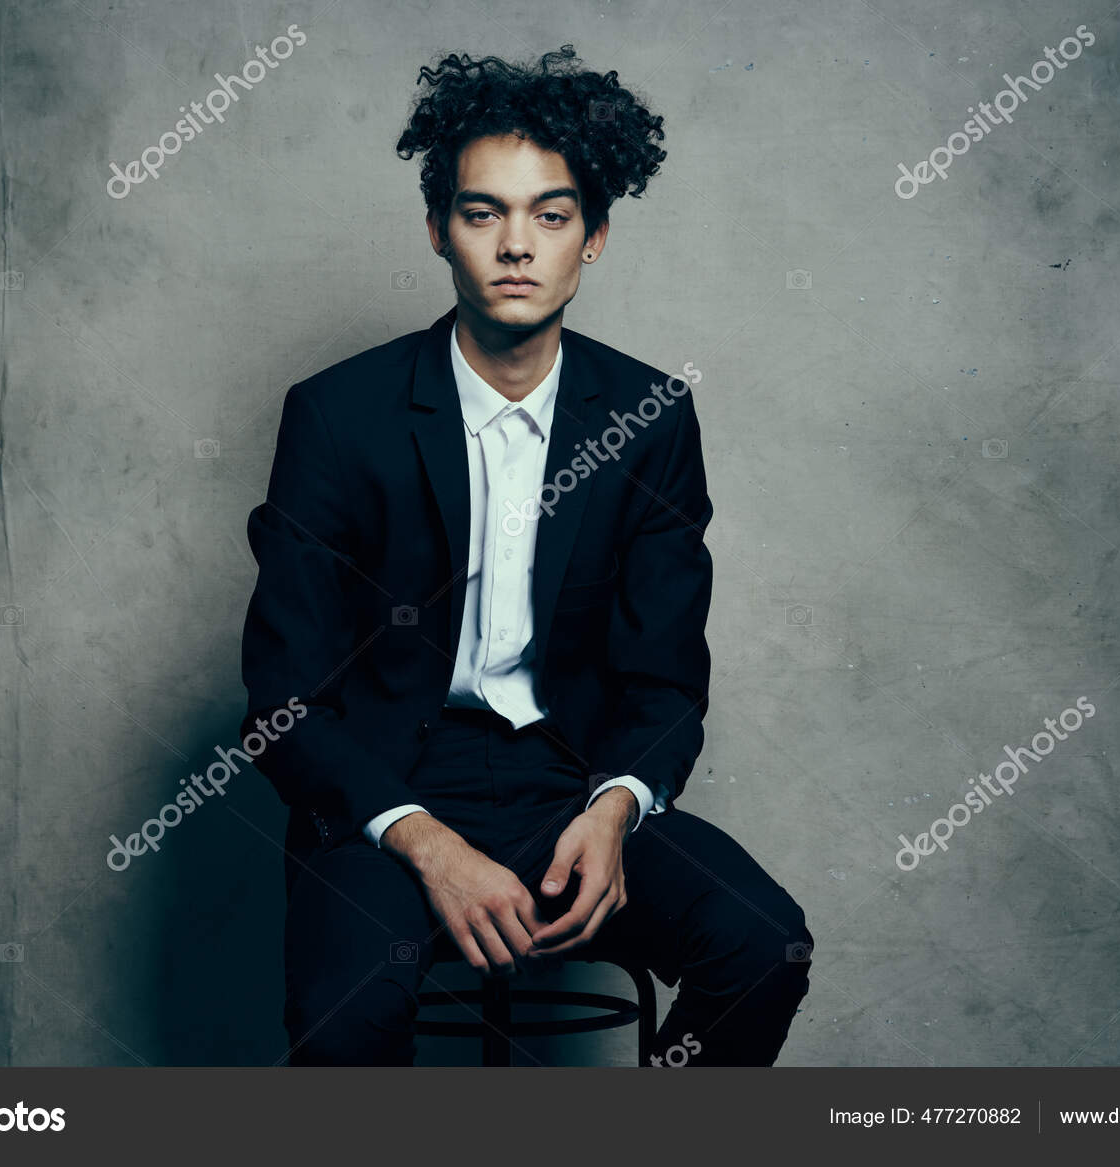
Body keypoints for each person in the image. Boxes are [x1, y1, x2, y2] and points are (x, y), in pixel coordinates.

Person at [239, 44, 812, 1066]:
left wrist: (615, 808)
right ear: (437, 232)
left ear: (593, 238)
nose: (515, 245)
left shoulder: (646, 417)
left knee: (763, 942)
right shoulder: (336, 415)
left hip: (569, 780)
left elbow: (664, 679)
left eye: (549, 216)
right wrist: (422, 840)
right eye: (481, 213)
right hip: (388, 787)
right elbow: (284, 695)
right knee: (346, 1022)